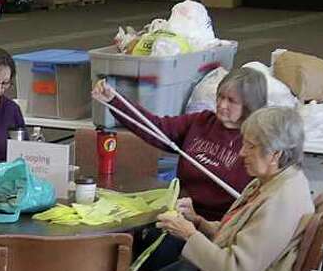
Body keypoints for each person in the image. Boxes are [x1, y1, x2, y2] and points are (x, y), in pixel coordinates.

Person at [116, 106, 312, 271]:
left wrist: (189, 234)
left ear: (275, 154)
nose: (241, 153)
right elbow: (238, 235)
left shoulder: (280, 202)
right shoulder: (278, 182)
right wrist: (198, 222)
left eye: (250, 146)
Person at [93, 62, 269, 225]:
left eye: (231, 101)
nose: (222, 105)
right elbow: (156, 129)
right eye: (220, 97)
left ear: (249, 106)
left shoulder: (254, 142)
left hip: (219, 225)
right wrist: (114, 101)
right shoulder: (200, 121)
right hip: (180, 212)